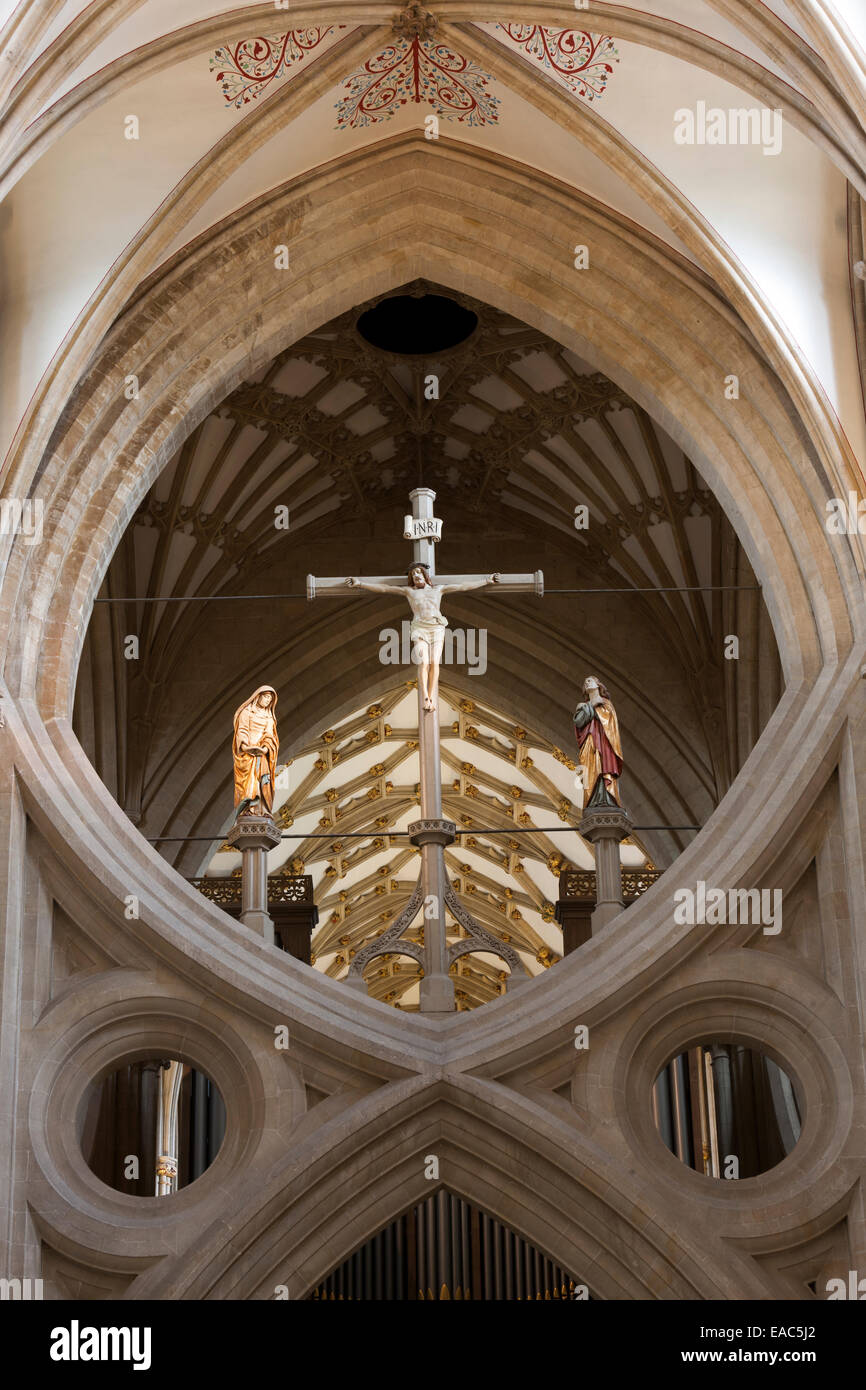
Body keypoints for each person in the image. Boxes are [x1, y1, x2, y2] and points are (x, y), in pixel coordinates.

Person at [346, 563, 500, 712]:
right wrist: (360, 584)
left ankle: (431, 695)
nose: (416, 576)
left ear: (425, 576)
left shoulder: (438, 590)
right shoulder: (410, 592)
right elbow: (385, 589)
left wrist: (487, 580)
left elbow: (463, 586)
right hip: (420, 629)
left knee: (434, 662)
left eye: (418, 573)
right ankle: (425, 696)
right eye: (413, 575)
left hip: (437, 628)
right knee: (423, 662)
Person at [573, 676, 623, 807]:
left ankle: (607, 799)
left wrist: (595, 706)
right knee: (591, 770)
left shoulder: (606, 703)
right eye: (585, 682)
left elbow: (610, 724)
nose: (587, 682)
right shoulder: (582, 705)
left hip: (604, 744)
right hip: (590, 744)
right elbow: (578, 722)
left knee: (604, 767)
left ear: (598, 684)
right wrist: (591, 705)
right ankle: (594, 801)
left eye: (590, 680)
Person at [232, 685, 279, 819]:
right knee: (249, 783)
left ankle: (261, 810)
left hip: (261, 754)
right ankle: (248, 809)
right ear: (258, 696)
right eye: (265, 697)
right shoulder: (247, 712)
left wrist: (264, 749)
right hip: (248, 753)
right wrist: (246, 747)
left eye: (270, 699)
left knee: (262, 781)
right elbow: (242, 730)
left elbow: (269, 735)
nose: (267, 701)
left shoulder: (269, 718)